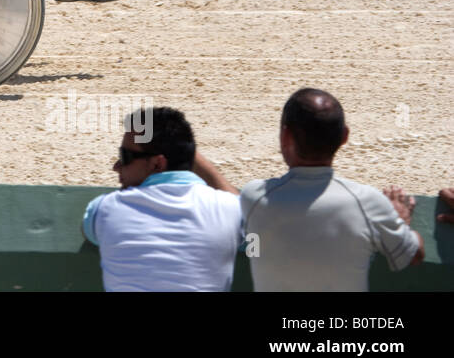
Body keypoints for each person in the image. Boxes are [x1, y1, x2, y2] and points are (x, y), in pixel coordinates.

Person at [240, 88, 425, 291]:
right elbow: (414, 255)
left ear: (285, 136)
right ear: (344, 136)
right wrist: (399, 220)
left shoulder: (253, 197)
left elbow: (253, 249)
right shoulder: (367, 202)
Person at [81, 107, 243, 291]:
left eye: (125, 157)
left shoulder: (104, 210)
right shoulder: (229, 209)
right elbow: (252, 222)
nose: (116, 166)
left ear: (158, 163)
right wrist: (190, 155)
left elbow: (89, 231)